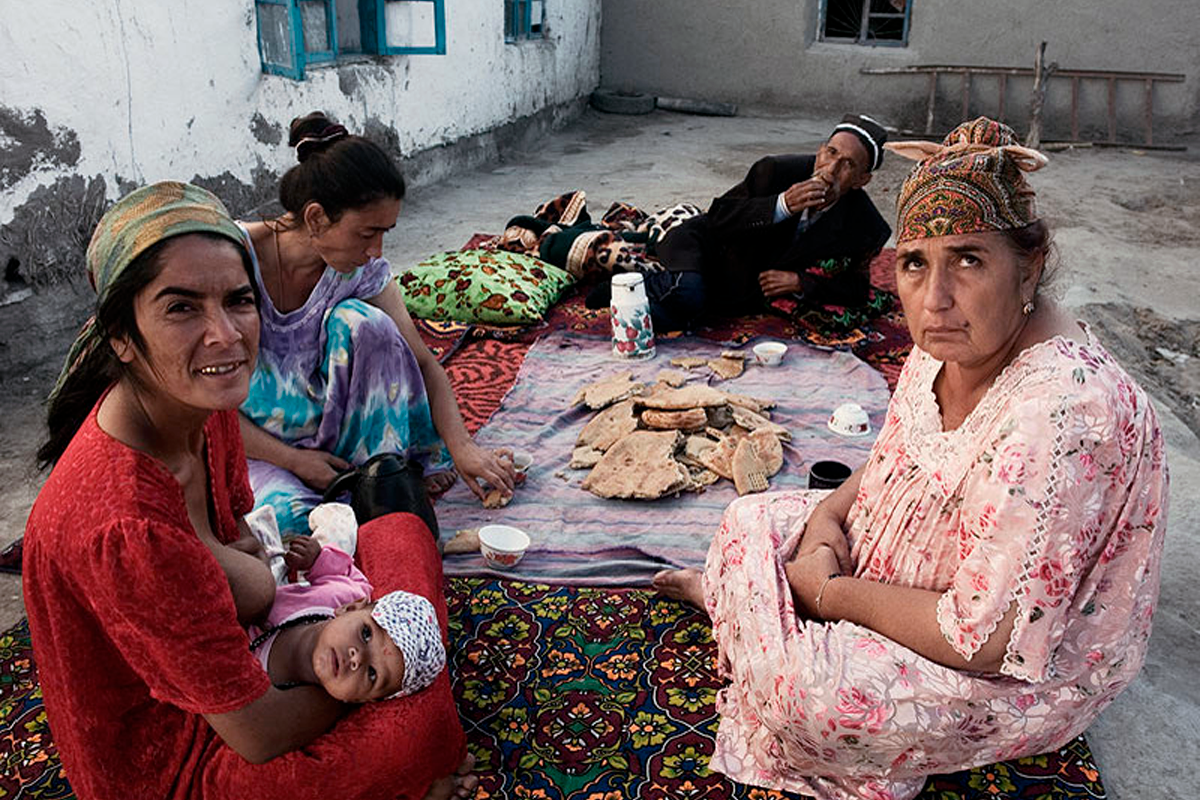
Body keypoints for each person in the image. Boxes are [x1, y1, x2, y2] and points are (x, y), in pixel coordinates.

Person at [652, 118, 1168, 800]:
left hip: (999, 663)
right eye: (916, 262)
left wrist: (827, 590)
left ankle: (745, 612)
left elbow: (981, 641)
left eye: (970, 260)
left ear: (1030, 267)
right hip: (914, 562)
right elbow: (902, 452)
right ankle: (752, 613)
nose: (934, 298)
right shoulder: (952, 333)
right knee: (751, 515)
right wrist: (832, 517)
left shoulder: (1065, 412)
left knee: (813, 700)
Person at [24, 182, 474, 800]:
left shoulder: (204, 411)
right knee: (414, 730)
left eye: (238, 300)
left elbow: (244, 550)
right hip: (177, 757)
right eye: (181, 308)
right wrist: (367, 679)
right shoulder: (128, 526)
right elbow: (258, 735)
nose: (226, 335)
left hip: (242, 654)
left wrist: (307, 611)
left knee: (393, 535)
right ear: (122, 337)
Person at [238, 111, 515, 537]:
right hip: (256, 446)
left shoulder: (359, 271)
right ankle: (353, 492)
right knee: (286, 526)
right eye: (366, 233)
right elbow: (200, 404)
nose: (376, 250)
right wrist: (295, 462)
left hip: (333, 434)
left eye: (385, 233)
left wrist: (463, 448)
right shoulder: (234, 259)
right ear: (315, 218)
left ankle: (377, 472)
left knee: (367, 325)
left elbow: (423, 363)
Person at [643, 113, 891, 331]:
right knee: (688, 295)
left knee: (689, 314)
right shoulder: (775, 170)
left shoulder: (868, 227)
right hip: (708, 251)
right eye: (831, 153)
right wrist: (781, 205)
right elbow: (718, 218)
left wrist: (800, 282)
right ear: (820, 151)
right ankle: (621, 292)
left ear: (861, 180)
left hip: (742, 293)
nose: (831, 170)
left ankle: (635, 309)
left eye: (848, 164)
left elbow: (857, 289)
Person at [247, 536, 447, 704]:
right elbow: (352, 577)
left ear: (364, 701)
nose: (357, 658)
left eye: (372, 674)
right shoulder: (337, 595)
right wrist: (317, 559)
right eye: (366, 634)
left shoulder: (290, 707)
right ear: (350, 608)